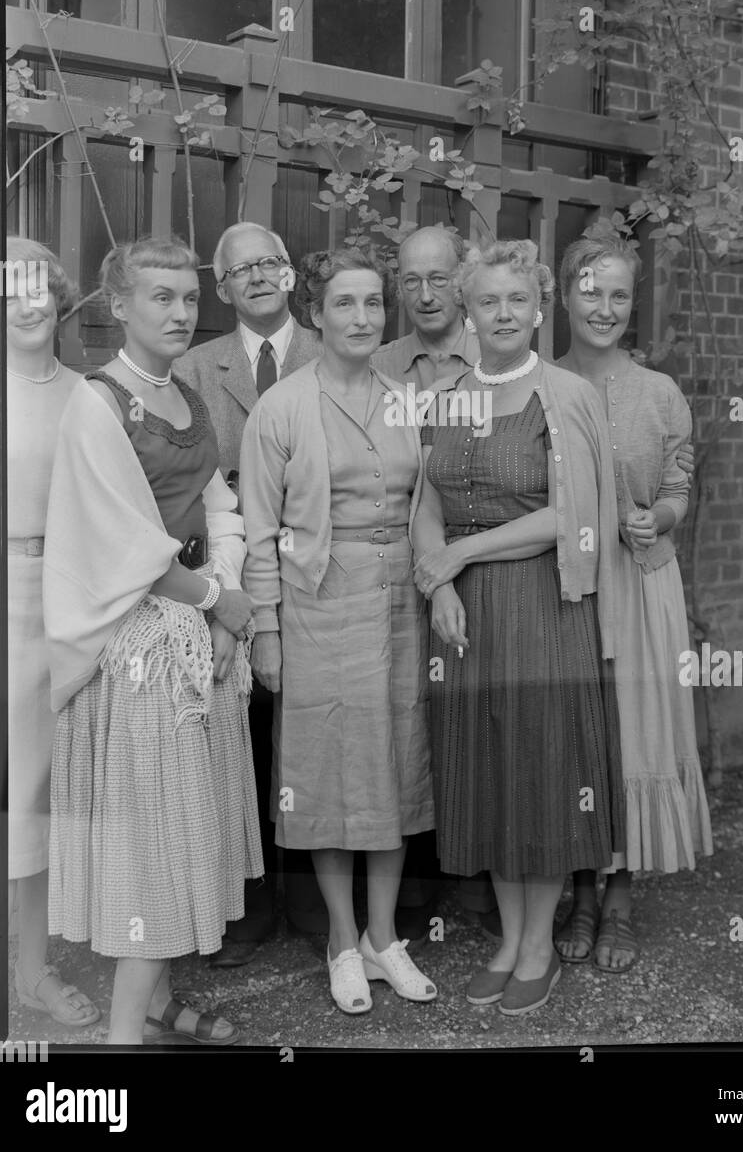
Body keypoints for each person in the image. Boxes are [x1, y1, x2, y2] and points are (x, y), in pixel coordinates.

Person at [43, 237, 263, 1044]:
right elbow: (123, 547)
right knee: (151, 848)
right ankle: (122, 1042)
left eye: (186, 296)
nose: (179, 311)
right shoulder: (97, 404)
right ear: (119, 307)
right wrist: (216, 600)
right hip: (138, 648)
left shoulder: (190, 399)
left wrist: (228, 589)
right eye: (159, 297)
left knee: (182, 828)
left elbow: (218, 506)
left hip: (194, 632)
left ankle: (163, 1002)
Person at [411, 238, 625, 1015]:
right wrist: (438, 583)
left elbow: (572, 516)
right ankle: (508, 938)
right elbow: (428, 502)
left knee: (539, 775)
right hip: (466, 615)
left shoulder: (565, 395)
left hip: (542, 605)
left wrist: (461, 553)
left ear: (540, 308)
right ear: (467, 311)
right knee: (492, 775)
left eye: (517, 300)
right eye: (488, 301)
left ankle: (540, 947)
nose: (503, 314)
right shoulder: (445, 394)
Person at [241, 247, 437, 1015]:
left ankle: (386, 939)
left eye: (372, 304)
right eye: (345, 304)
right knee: (326, 771)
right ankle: (340, 940)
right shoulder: (282, 409)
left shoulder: (402, 400)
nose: (361, 318)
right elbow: (260, 533)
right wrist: (265, 628)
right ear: (316, 315)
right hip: (317, 605)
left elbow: (425, 505)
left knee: (392, 765)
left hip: (397, 607)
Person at [554, 233, 713, 972]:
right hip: (564, 590)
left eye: (619, 294)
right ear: (564, 295)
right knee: (580, 737)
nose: (605, 308)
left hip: (642, 584)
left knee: (632, 734)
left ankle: (617, 897)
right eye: (591, 291)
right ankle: (579, 890)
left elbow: (680, 485)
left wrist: (664, 516)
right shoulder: (539, 383)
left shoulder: (660, 392)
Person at [173, 221, 323, 962]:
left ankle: (315, 896)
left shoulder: (334, 357)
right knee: (244, 741)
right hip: (233, 580)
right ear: (222, 287)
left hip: (322, 578)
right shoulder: (196, 369)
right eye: (241, 270)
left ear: (292, 275)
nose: (258, 276)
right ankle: (248, 904)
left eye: (271, 262)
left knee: (317, 734)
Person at [374, 225, 496, 938]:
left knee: (474, 713)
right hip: (397, 567)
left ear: (462, 281)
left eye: (438, 278)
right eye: (410, 281)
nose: (424, 294)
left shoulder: (496, 359)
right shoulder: (381, 361)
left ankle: (476, 879)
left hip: (476, 563)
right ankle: (419, 888)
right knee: (409, 722)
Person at [6, 237, 99, 1029]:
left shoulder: (86, 394)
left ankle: (31, 972)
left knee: (35, 799)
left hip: (61, 607)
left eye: (40, 288)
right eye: (10, 290)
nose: (29, 304)